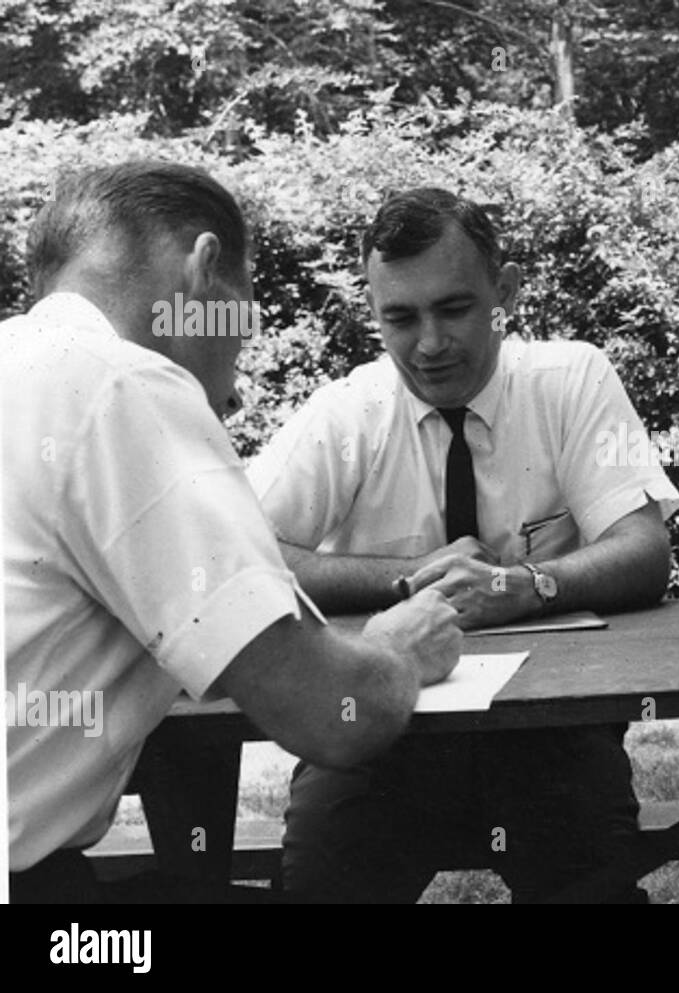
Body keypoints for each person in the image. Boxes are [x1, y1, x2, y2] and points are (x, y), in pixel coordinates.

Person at [3, 161, 462, 904]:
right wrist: (400, 647)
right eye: (240, 331)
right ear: (203, 269)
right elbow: (328, 715)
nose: (233, 387)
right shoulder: (125, 383)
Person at [248, 187, 679, 903]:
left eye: (453, 309)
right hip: (381, 722)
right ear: (373, 310)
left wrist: (528, 586)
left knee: (589, 881)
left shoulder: (571, 380)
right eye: (400, 317)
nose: (428, 343)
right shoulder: (347, 411)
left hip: (553, 723)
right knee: (322, 886)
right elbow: (254, 559)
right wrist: (408, 579)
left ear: (503, 291)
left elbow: (643, 548)